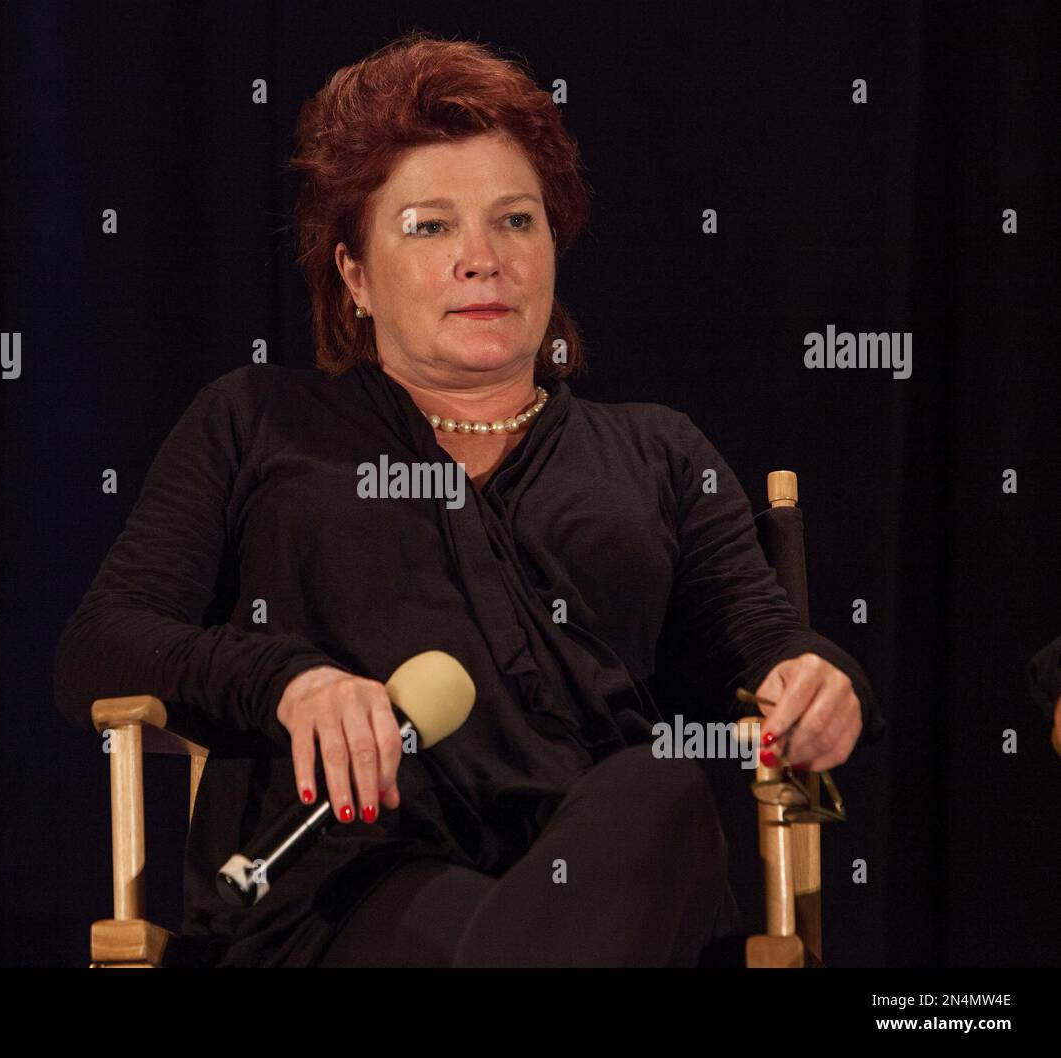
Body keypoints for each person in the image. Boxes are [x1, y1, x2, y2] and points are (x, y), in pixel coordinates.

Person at [53, 31, 886, 967]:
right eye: (430, 225)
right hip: (349, 892)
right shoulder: (258, 422)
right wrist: (289, 678)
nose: (482, 258)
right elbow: (100, 646)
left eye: (516, 220)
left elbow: (764, 646)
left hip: (616, 877)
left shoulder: (658, 449)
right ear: (355, 275)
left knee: (663, 790)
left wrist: (820, 684)